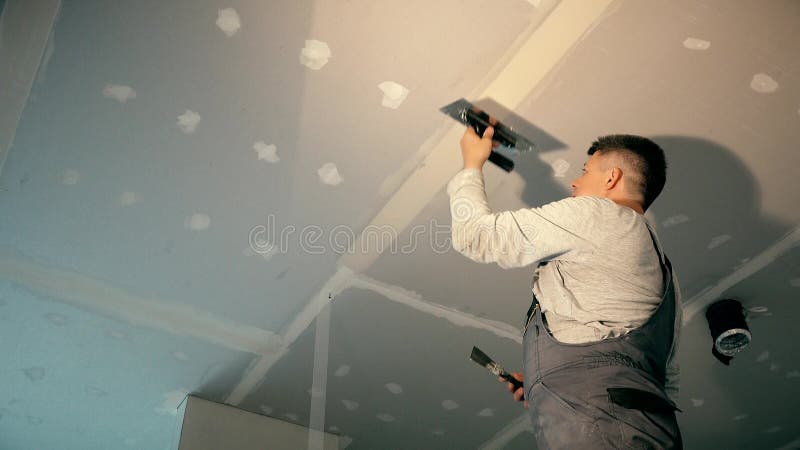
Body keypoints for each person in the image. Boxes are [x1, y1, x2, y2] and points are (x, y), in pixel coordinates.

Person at [448, 126, 683, 449]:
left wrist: (471, 164)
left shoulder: (601, 215)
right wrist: (549, 384)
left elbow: (475, 237)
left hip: (604, 431)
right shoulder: (664, 275)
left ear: (611, 178)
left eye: (584, 171)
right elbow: (661, 382)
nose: (574, 182)